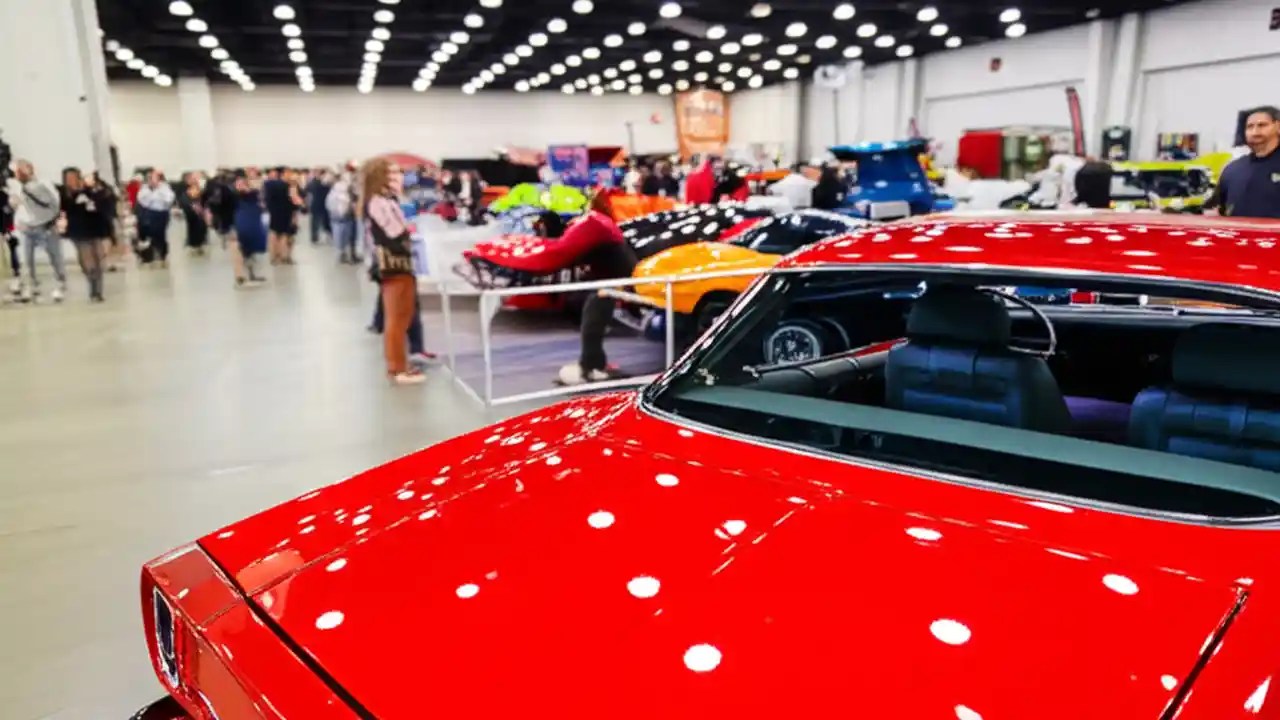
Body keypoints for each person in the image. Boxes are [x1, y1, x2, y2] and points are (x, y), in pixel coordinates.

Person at [556, 191, 635, 386]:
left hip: (609, 283)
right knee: (592, 324)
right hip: (610, 280)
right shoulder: (605, 224)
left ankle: (593, 366)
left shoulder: (597, 223)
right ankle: (592, 364)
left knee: (592, 325)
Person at [360, 157, 424, 385]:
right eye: (393, 173)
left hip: (400, 264)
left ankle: (401, 364)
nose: (399, 177)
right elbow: (393, 233)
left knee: (403, 315)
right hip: (393, 264)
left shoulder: (386, 200)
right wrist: (408, 233)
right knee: (397, 318)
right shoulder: (378, 202)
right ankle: (397, 369)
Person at [12, 159, 66, 301]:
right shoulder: (16, 187)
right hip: (27, 228)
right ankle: (32, 286)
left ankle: (59, 284)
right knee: (27, 260)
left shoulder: (43, 184)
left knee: (55, 257)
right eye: (15, 172)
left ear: (30, 169)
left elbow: (55, 203)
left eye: (20, 171)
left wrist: (53, 220)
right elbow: (19, 207)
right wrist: (18, 222)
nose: (17, 174)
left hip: (45, 226)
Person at [1216, 106, 1280, 219]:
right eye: (1249, 127)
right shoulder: (1232, 170)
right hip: (1239, 235)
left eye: (1262, 125)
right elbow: (1219, 211)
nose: (1255, 132)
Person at [59, 167, 109, 301]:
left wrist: (90, 190)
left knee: (99, 259)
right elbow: (62, 210)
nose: (71, 181)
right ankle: (93, 289)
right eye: (68, 178)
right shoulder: (64, 195)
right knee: (88, 261)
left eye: (74, 177)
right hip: (78, 232)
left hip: (95, 229)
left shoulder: (90, 191)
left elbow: (103, 203)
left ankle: (98, 289)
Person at [232, 173, 268, 286]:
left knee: (250, 249)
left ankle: (250, 274)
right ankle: (241, 276)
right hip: (244, 220)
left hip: (253, 220)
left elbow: (260, 202)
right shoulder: (237, 194)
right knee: (241, 248)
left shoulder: (255, 192)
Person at [135, 170, 175, 267]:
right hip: (150, 212)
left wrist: (159, 193)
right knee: (151, 232)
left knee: (160, 233)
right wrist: (151, 196)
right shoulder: (144, 188)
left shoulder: (164, 188)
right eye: (150, 178)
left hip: (162, 213)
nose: (152, 181)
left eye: (154, 178)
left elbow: (169, 199)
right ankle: (150, 254)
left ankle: (162, 254)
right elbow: (141, 199)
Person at [263, 167, 294, 264]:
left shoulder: (267, 184)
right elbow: (293, 200)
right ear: (283, 174)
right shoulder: (289, 185)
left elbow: (266, 198)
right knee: (284, 235)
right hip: (286, 212)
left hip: (273, 212)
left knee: (273, 234)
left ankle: (273, 257)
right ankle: (283, 256)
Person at [179, 172, 208, 255]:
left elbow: (204, 198)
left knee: (202, 226)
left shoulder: (201, 188)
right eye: (192, 178)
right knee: (192, 226)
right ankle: (193, 244)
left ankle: (200, 243)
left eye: (196, 178)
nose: (195, 180)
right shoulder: (186, 190)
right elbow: (184, 199)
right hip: (190, 211)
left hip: (200, 210)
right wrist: (191, 205)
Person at [306, 168, 332, 245]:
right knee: (317, 222)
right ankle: (315, 237)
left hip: (318, 205)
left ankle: (316, 237)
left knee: (317, 222)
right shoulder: (318, 183)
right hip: (320, 205)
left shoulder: (312, 183)